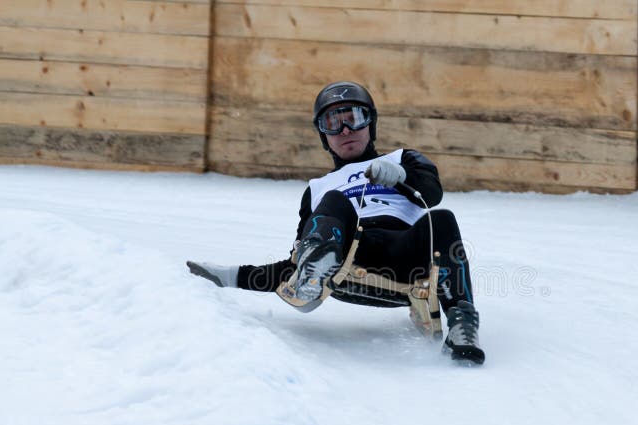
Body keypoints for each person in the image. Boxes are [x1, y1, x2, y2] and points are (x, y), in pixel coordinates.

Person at [187, 81, 484, 364]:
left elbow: (433, 193)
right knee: (334, 203)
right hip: (346, 261)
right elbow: (294, 263)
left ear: (371, 124)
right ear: (323, 136)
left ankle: (463, 324)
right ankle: (315, 273)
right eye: (332, 123)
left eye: (355, 117)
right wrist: (231, 276)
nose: (345, 130)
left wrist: (402, 176)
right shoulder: (318, 189)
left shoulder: (401, 157)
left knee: (442, 219)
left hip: (406, 255)